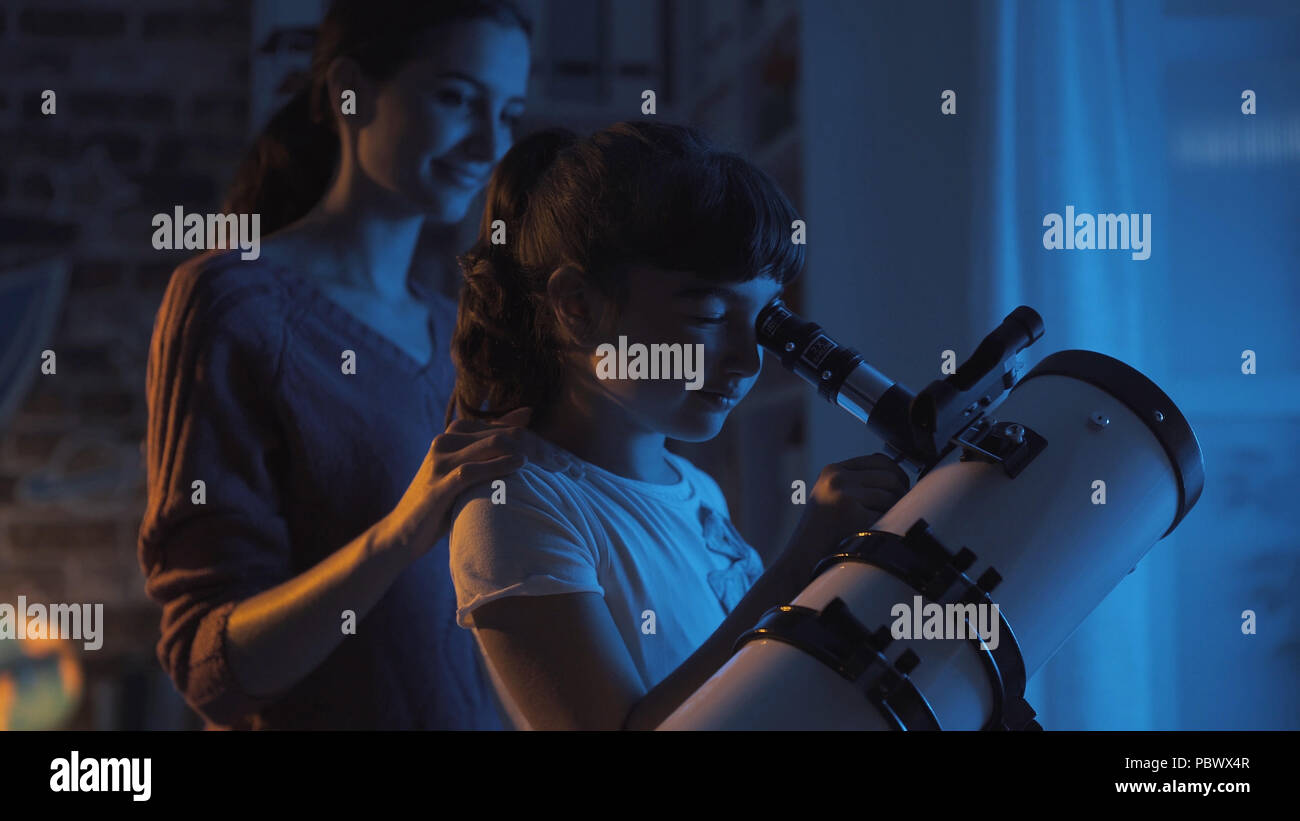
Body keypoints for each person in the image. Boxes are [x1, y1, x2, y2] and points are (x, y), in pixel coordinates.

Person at [137, 0, 534, 729]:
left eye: (508, 114)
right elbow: (208, 666)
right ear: (351, 92)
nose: (487, 143)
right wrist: (397, 536)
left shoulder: (458, 331)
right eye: (455, 97)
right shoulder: (232, 304)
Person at [445, 122, 913, 730]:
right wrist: (803, 559)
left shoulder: (694, 489)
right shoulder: (517, 507)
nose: (747, 360)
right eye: (709, 316)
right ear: (578, 307)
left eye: (764, 321)